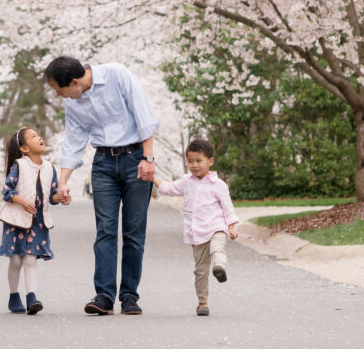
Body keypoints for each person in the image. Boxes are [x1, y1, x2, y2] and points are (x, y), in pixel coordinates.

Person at [45, 56, 159, 315]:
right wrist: (62, 181)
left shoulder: (117, 75)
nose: (60, 95)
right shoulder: (72, 101)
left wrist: (148, 158)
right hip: (103, 163)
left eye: (60, 90)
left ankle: (129, 295)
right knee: (105, 230)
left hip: (135, 159)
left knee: (133, 232)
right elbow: (73, 141)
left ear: (75, 82)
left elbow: (144, 116)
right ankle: (104, 296)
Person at [153, 138, 239, 317]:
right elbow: (168, 188)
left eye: (199, 161)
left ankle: (219, 267)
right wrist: (152, 177)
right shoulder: (186, 182)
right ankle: (203, 303)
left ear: (210, 161)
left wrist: (231, 227)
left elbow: (228, 208)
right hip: (197, 233)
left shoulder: (219, 185)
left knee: (217, 249)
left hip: (216, 227)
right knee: (200, 270)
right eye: (190, 161)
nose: (194, 165)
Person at [0, 127, 70, 315]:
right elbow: (6, 191)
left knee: (30, 260)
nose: (39, 137)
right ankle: (14, 296)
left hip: (38, 222)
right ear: (24, 149)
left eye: (38, 135)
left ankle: (32, 297)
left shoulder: (49, 168)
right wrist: (20, 200)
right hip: (16, 221)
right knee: (15, 261)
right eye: (33, 136)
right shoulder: (18, 166)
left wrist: (60, 197)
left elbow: (52, 195)